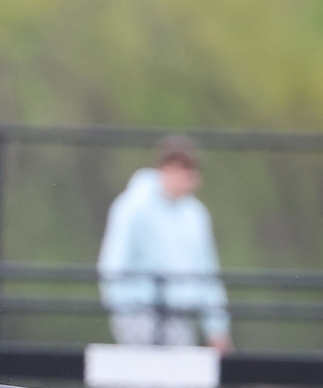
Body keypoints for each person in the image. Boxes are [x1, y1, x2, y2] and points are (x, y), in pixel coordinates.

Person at [97, 136, 231, 352]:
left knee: (179, 383)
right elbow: (113, 263)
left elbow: (207, 272)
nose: (194, 180)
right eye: (187, 171)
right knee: (143, 381)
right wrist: (126, 313)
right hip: (140, 316)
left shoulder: (195, 214)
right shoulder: (132, 207)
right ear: (169, 168)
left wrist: (216, 327)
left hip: (180, 318)